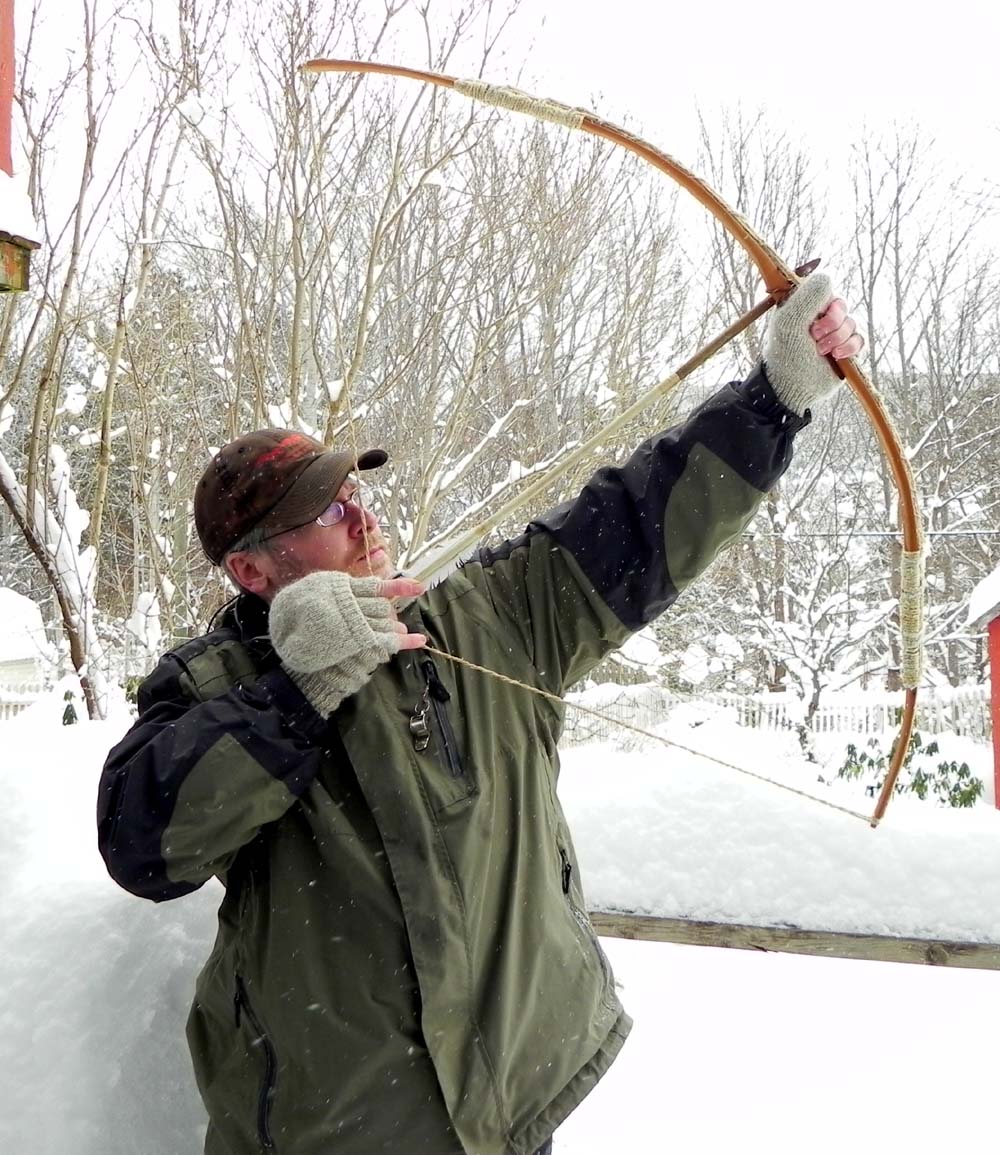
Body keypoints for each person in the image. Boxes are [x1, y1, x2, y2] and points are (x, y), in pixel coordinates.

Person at [98, 273, 862, 1155]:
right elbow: (141, 843)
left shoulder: (485, 614)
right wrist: (296, 689)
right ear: (252, 570)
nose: (363, 517)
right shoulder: (213, 683)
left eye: (357, 493)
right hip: (337, 1132)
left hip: (511, 1103)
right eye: (328, 510)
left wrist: (773, 400)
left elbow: (639, 524)